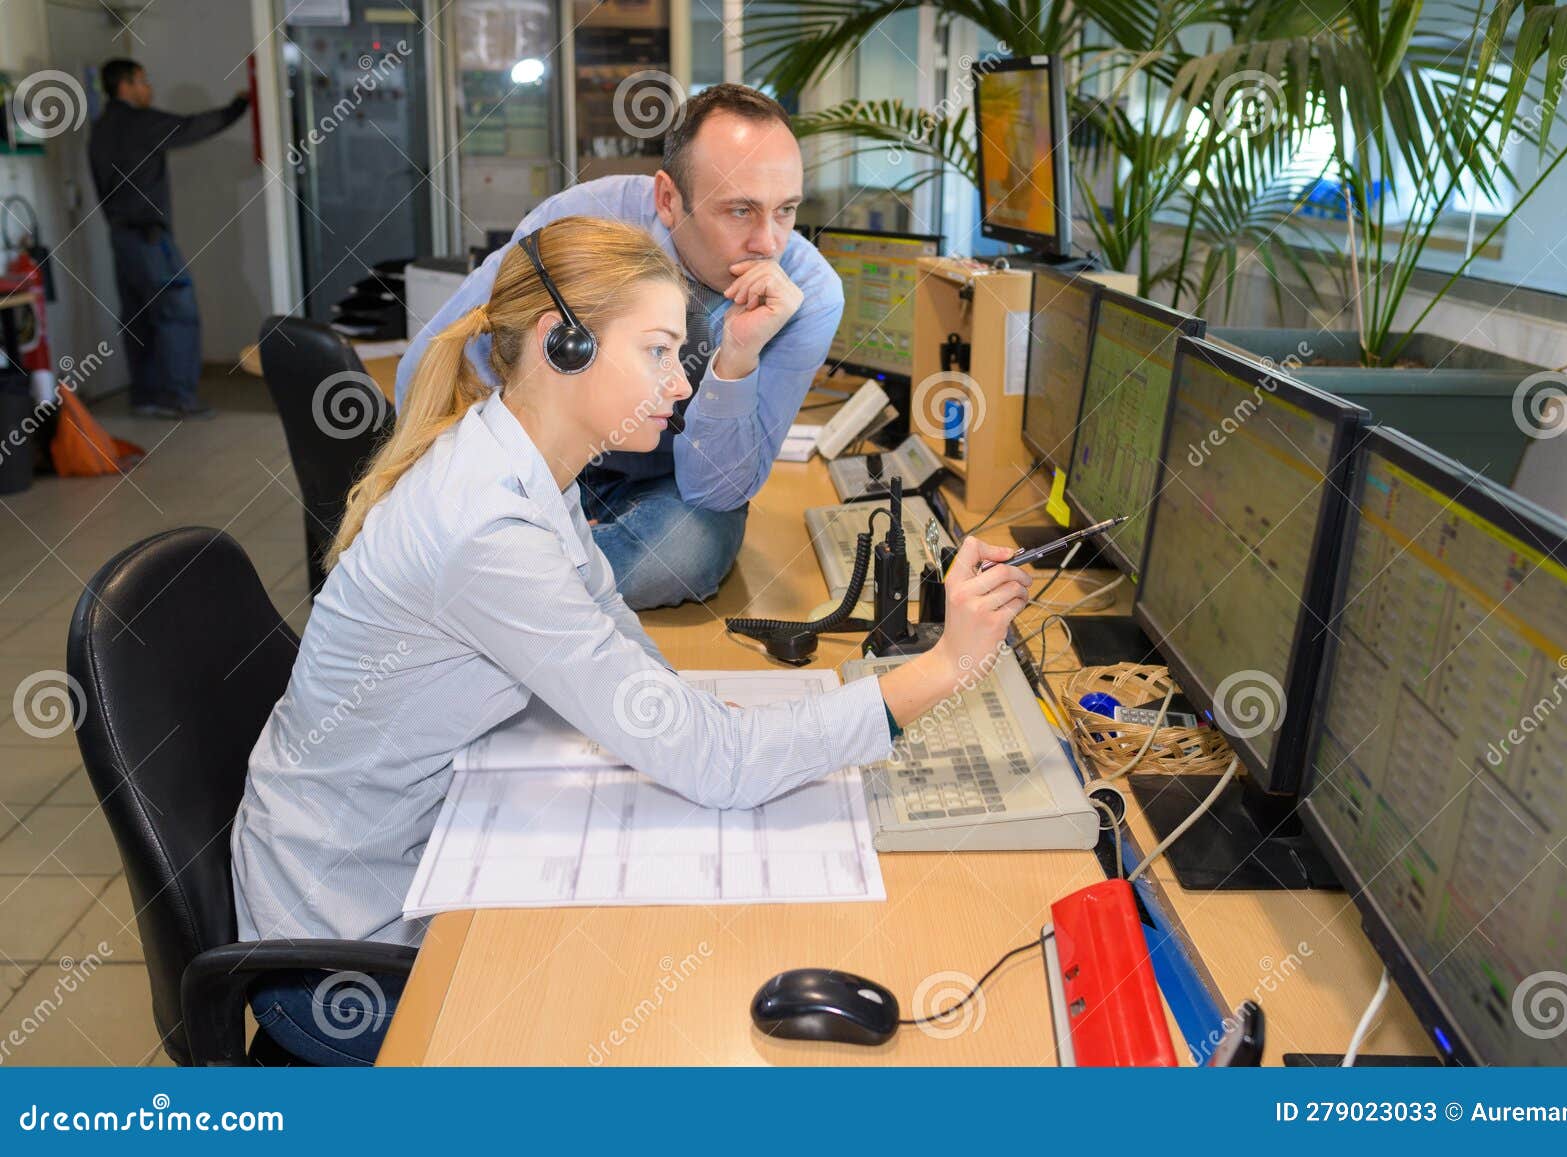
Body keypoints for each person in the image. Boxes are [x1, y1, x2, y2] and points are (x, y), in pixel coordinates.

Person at [230, 217, 1031, 1065]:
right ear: (561, 345)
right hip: (345, 952)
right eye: (656, 351)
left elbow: (626, 646)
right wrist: (944, 668)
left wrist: (709, 725)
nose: (680, 385)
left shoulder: (533, 465)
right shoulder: (488, 528)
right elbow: (712, 763)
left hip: (400, 862)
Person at [396, 83, 838, 610]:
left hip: (670, 483)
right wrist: (528, 490)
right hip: (548, 457)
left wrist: (736, 359)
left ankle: (502, 588)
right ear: (669, 200)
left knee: (683, 554)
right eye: (740, 211)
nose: (769, 243)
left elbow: (716, 492)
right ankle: (509, 582)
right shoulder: (583, 222)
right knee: (478, 512)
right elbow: (436, 365)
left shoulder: (806, 295)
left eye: (786, 210)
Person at [88, 59, 250, 420]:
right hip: (149, 238)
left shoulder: (100, 129)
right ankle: (179, 398)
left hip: (121, 237)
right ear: (126, 86)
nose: (150, 90)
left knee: (139, 317)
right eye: (144, 82)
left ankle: (146, 396)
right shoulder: (141, 123)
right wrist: (239, 106)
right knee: (177, 313)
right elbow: (192, 128)